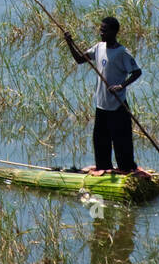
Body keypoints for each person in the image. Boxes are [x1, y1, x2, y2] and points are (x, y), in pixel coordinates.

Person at [64, 16, 151, 177]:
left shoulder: (122, 53)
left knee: (122, 142)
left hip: (118, 105)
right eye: (100, 29)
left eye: (104, 30)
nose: (101, 32)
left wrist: (121, 86)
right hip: (101, 105)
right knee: (100, 141)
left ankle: (126, 169)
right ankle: (104, 168)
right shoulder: (98, 47)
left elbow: (137, 72)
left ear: (114, 32)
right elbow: (79, 60)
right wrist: (69, 43)